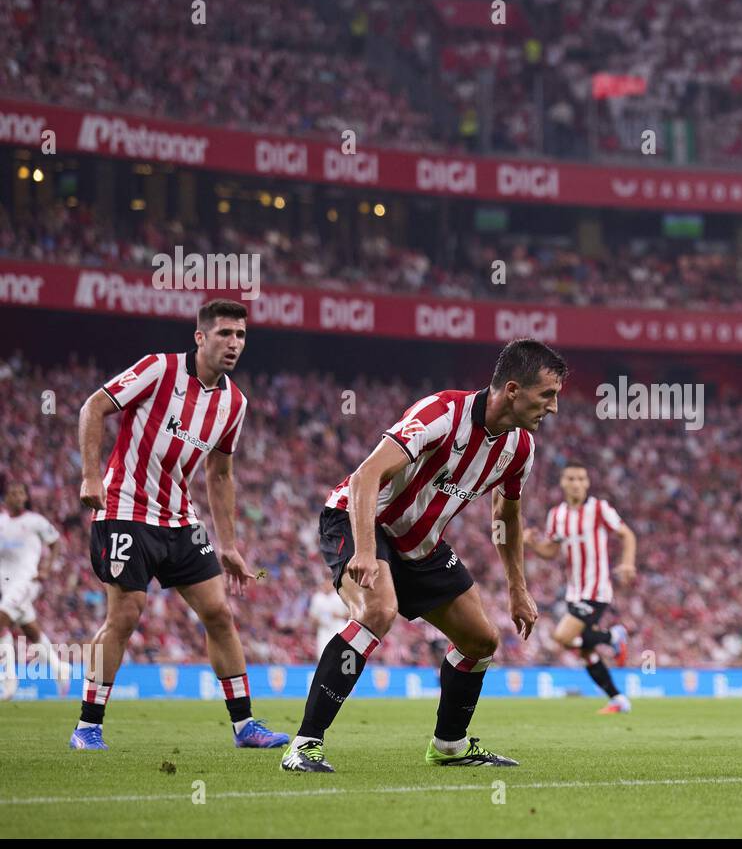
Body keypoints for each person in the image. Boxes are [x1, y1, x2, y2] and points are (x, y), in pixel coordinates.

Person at [281, 339, 566, 772]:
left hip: (421, 543)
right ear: (513, 390)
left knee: (481, 641)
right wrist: (362, 548)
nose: (554, 407)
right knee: (378, 611)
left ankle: (449, 745)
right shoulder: (440, 413)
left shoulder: (520, 449)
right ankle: (304, 745)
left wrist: (517, 588)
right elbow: (365, 477)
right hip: (360, 519)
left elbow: (506, 516)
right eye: (547, 395)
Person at [72, 298, 289, 750]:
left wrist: (227, 543)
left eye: (241, 335)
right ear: (201, 337)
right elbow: (93, 407)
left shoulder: (234, 403)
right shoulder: (159, 369)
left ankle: (244, 726)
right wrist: (92, 475)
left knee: (219, 612)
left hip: (179, 519)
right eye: (225, 333)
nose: (234, 343)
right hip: (125, 510)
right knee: (126, 614)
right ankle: (88, 726)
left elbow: (221, 472)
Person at [525, 463, 635, 713]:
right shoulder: (557, 515)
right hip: (574, 591)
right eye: (571, 478)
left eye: (581, 478)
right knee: (586, 652)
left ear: (587, 483)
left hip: (596, 590)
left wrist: (627, 564)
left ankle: (613, 636)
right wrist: (531, 544)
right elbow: (551, 551)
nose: (576, 483)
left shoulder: (599, 508)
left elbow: (627, 535)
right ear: (563, 483)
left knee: (562, 637)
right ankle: (618, 699)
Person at [0, 480, 69, 698]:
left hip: (27, 580)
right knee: (30, 629)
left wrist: (47, 567)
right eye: (13, 492)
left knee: (1, 619)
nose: (18, 496)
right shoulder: (1, 522)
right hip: (6, 582)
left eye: (21, 492)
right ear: (6, 497)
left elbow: (56, 542)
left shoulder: (35, 521)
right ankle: (60, 668)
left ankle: (9, 680)